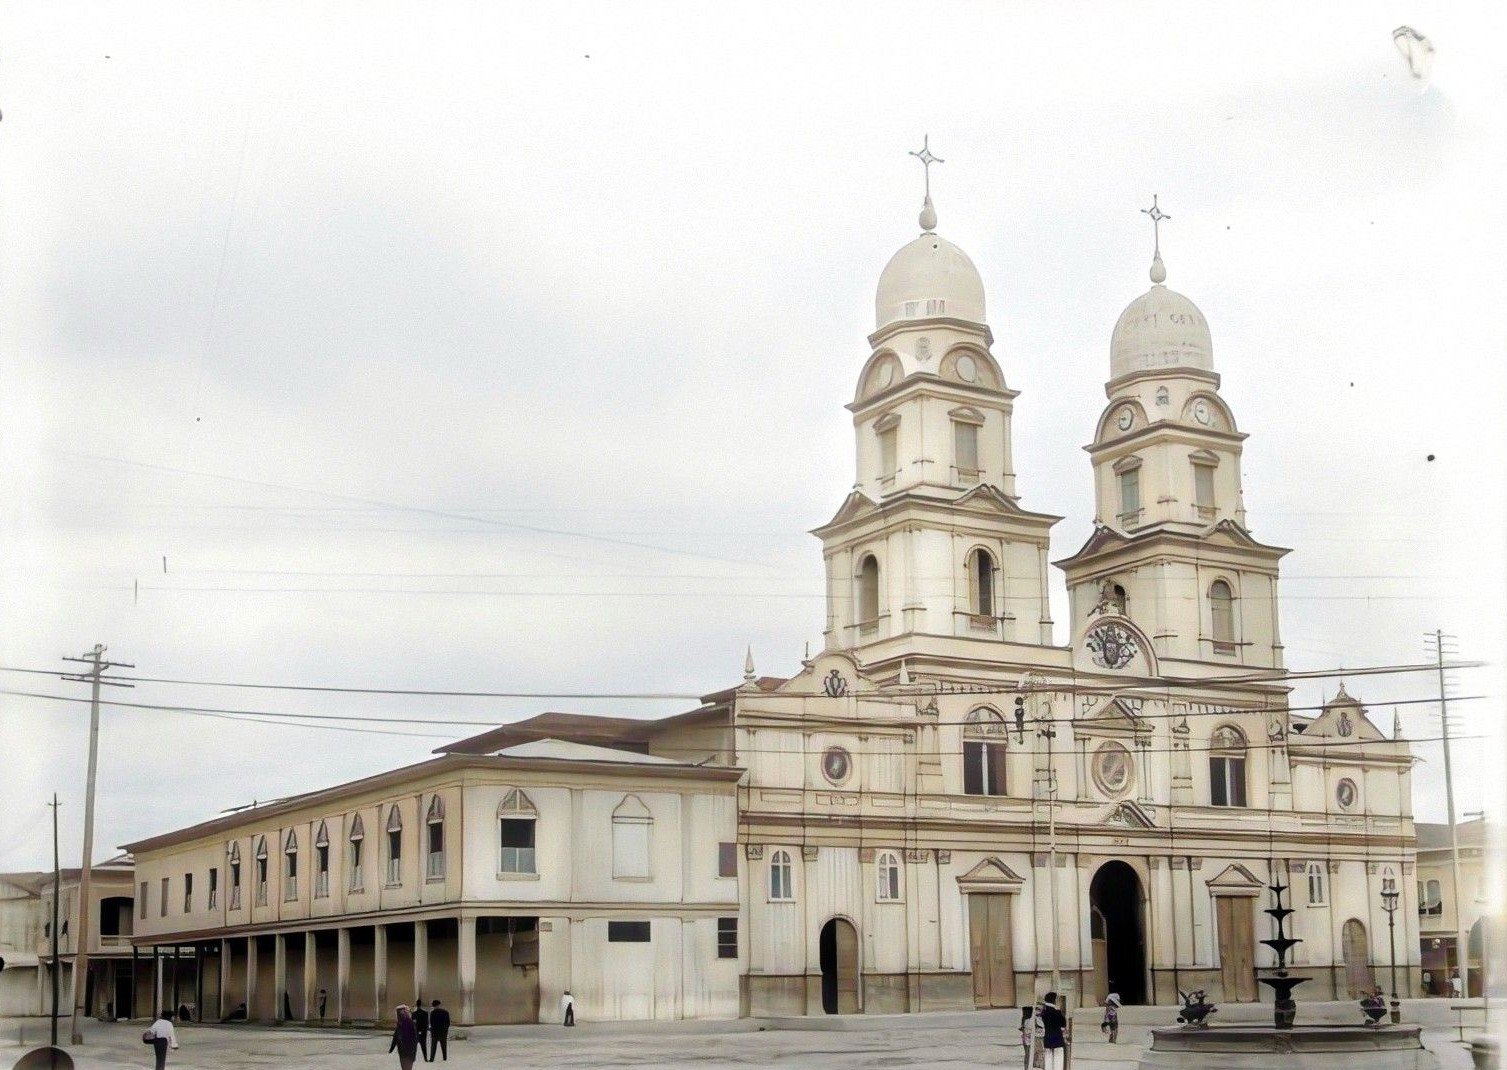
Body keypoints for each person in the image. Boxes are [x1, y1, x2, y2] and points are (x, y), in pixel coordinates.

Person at [1039, 991, 1068, 1070]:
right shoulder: (1057, 1012)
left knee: (1048, 1064)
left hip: (1047, 1040)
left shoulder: (1043, 1012)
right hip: (1057, 1040)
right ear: (1054, 1000)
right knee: (1058, 1064)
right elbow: (1063, 1025)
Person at [389, 1005, 420, 1070]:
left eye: (400, 1013)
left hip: (408, 1051)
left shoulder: (409, 1022)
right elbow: (396, 1036)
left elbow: (415, 1038)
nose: (398, 1015)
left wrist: (412, 1052)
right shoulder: (400, 1023)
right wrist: (391, 1048)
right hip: (402, 1050)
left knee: (407, 1068)